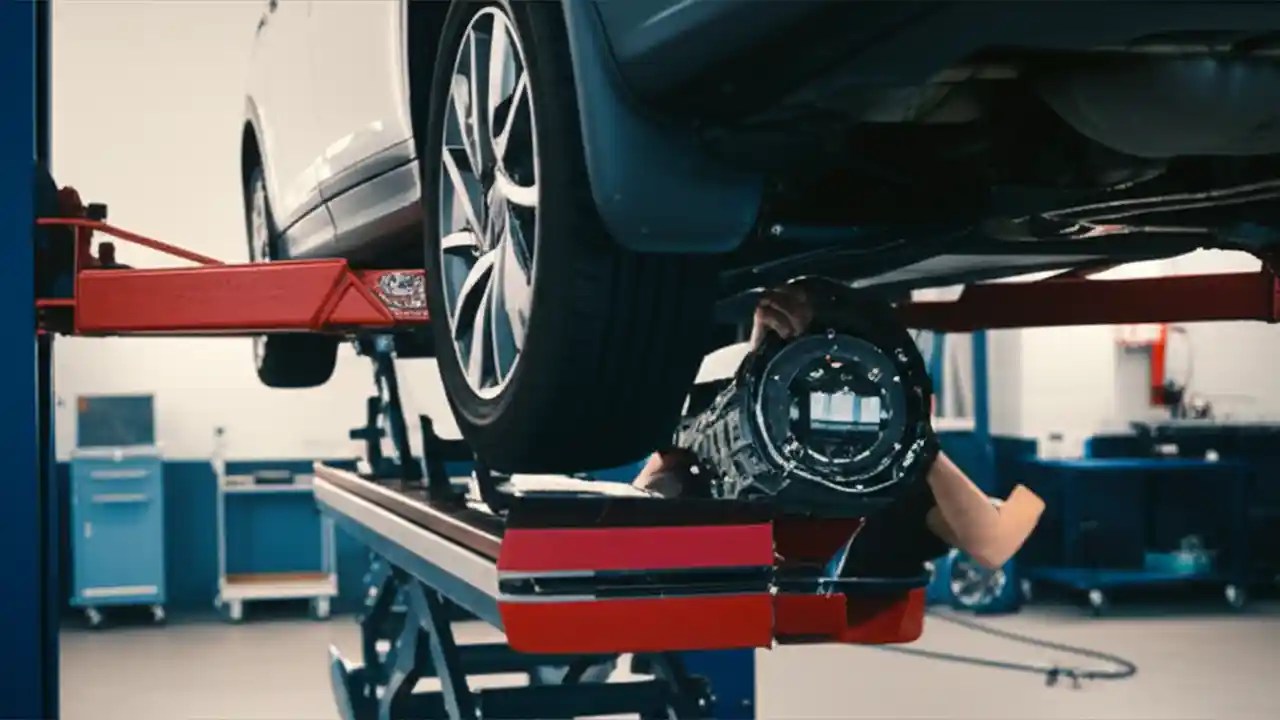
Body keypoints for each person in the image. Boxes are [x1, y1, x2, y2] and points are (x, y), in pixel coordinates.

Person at [633, 283, 1045, 575]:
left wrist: (917, 442)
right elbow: (644, 504)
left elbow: (995, 544)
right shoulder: (717, 425)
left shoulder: (895, 482)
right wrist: (750, 371)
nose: (835, 399)